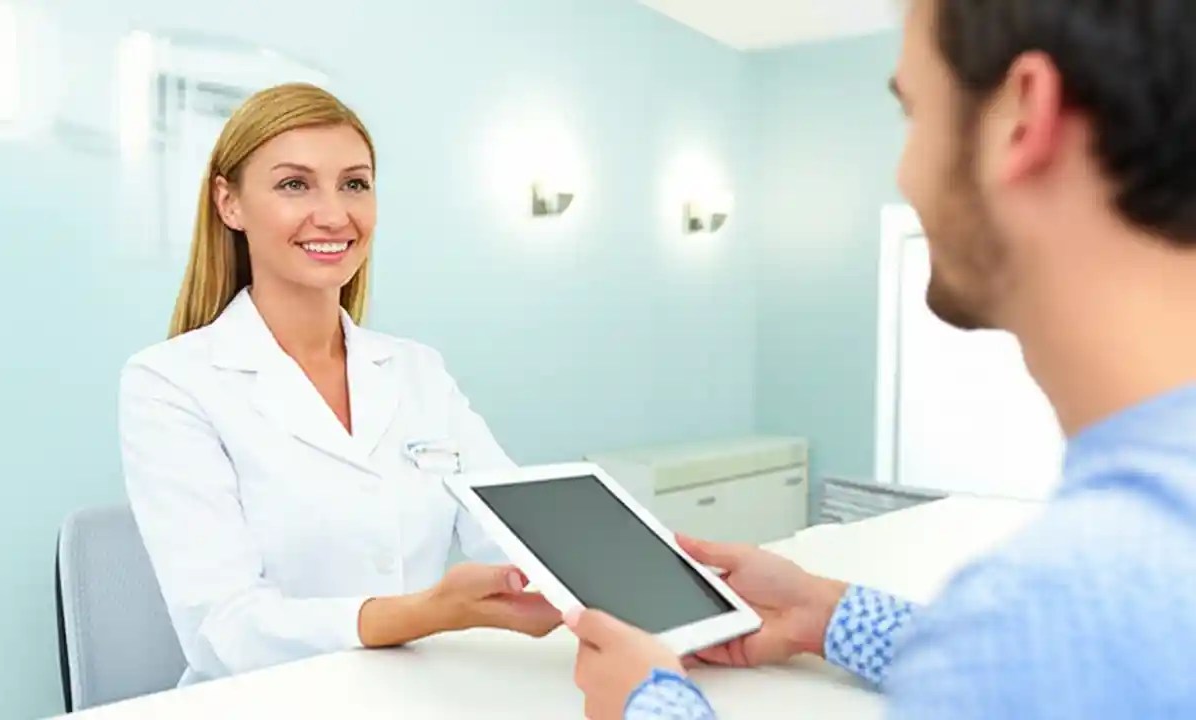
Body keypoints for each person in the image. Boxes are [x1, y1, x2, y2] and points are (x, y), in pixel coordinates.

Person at [566, 0, 1196, 717]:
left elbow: (1030, 661)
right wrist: (828, 611)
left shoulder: (1056, 614)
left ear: (1022, 117)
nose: (903, 173)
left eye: (915, 114)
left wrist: (650, 704)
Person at [118, 83, 560, 686]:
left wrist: (623, 582)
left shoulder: (416, 370)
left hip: (411, 692)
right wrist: (421, 614)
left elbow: (520, 537)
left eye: (354, 183)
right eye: (294, 184)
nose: (333, 214)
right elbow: (224, 629)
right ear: (230, 203)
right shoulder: (171, 383)